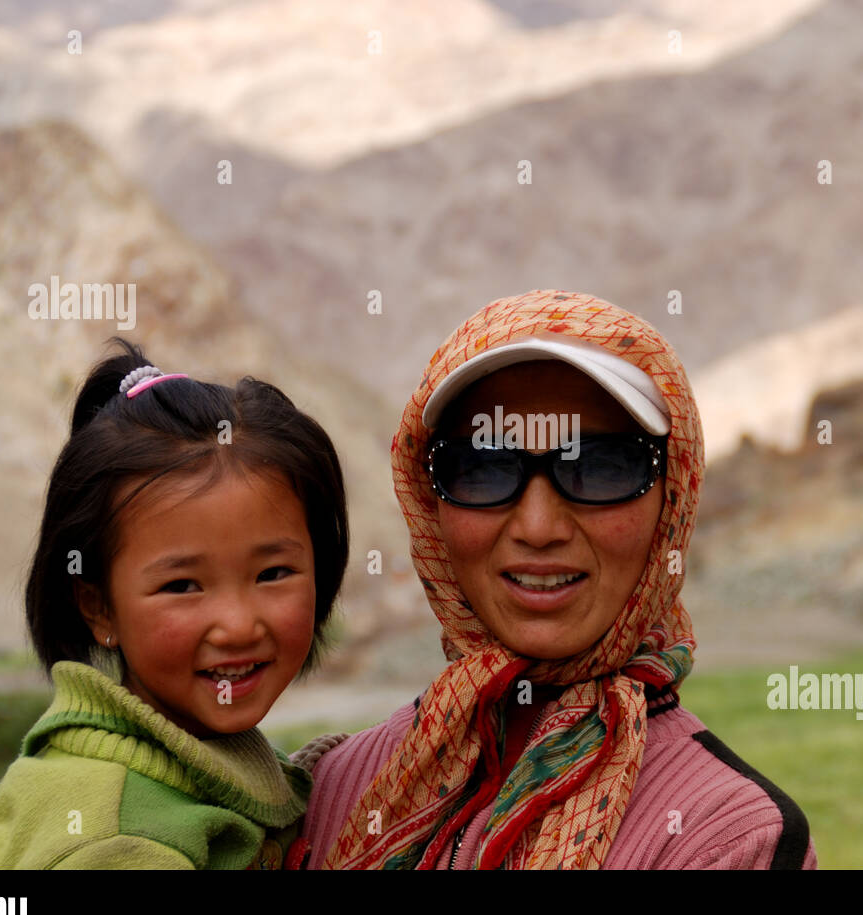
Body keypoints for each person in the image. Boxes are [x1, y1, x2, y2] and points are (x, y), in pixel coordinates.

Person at [298, 289, 816, 869]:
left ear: (672, 500)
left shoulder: (729, 837)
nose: (539, 527)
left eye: (599, 467)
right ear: (430, 504)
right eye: (484, 467)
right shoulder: (327, 793)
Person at [0, 339, 348, 869]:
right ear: (99, 608)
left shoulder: (198, 766)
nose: (239, 625)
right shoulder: (123, 841)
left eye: (273, 574)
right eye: (182, 586)